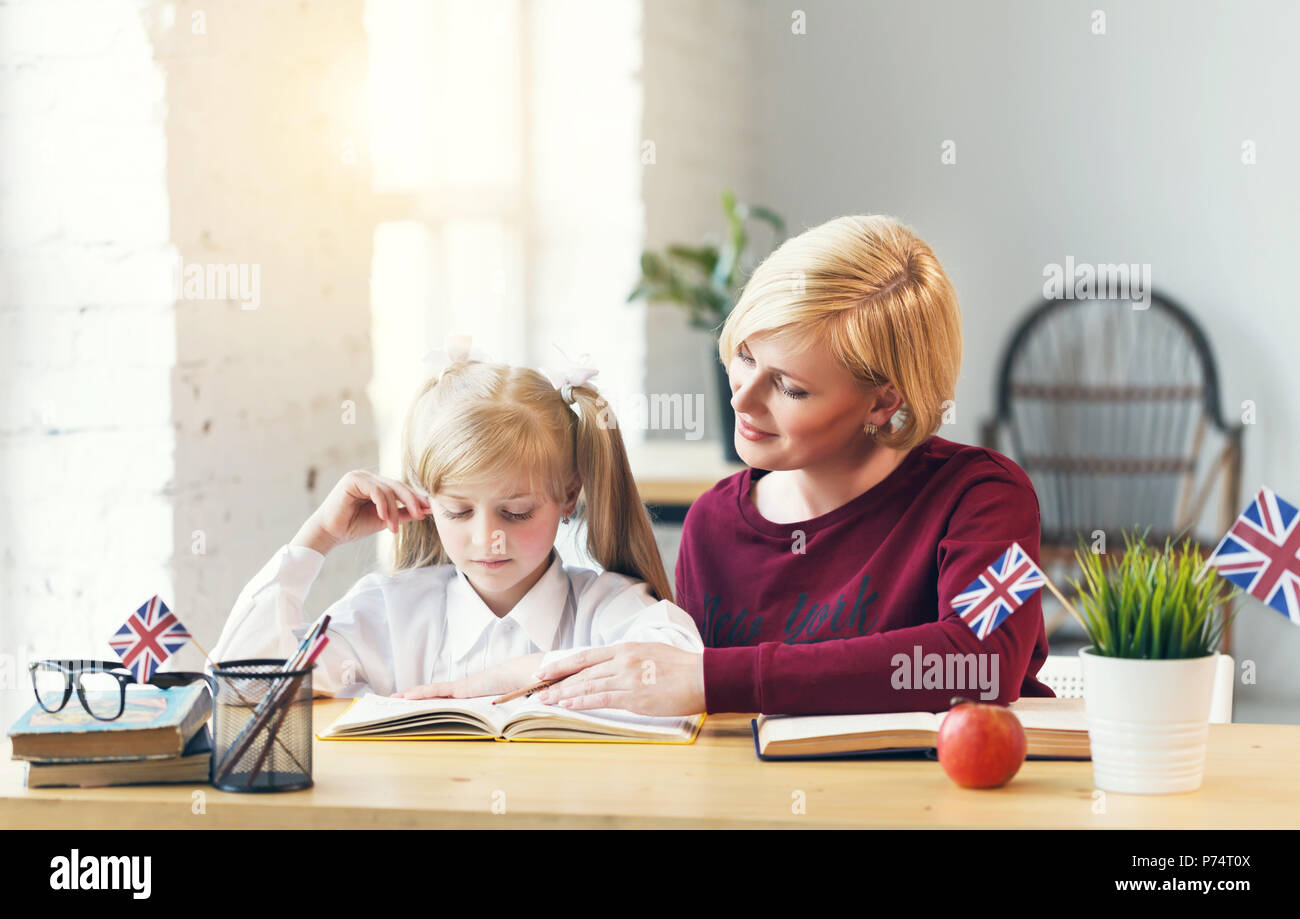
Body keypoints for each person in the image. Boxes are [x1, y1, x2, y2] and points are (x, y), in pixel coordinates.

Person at [521, 214, 1054, 716]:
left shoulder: (988, 497)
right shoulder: (713, 523)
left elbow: (981, 662)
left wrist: (712, 678)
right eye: (746, 357)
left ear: (883, 403)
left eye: (790, 387)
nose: (742, 399)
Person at [209, 342, 703, 698]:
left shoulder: (608, 608)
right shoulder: (389, 614)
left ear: (568, 496)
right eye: (459, 511)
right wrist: (317, 538)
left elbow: (684, 669)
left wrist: (509, 679)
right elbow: (242, 685)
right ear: (427, 502)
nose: (487, 536)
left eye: (516, 512)